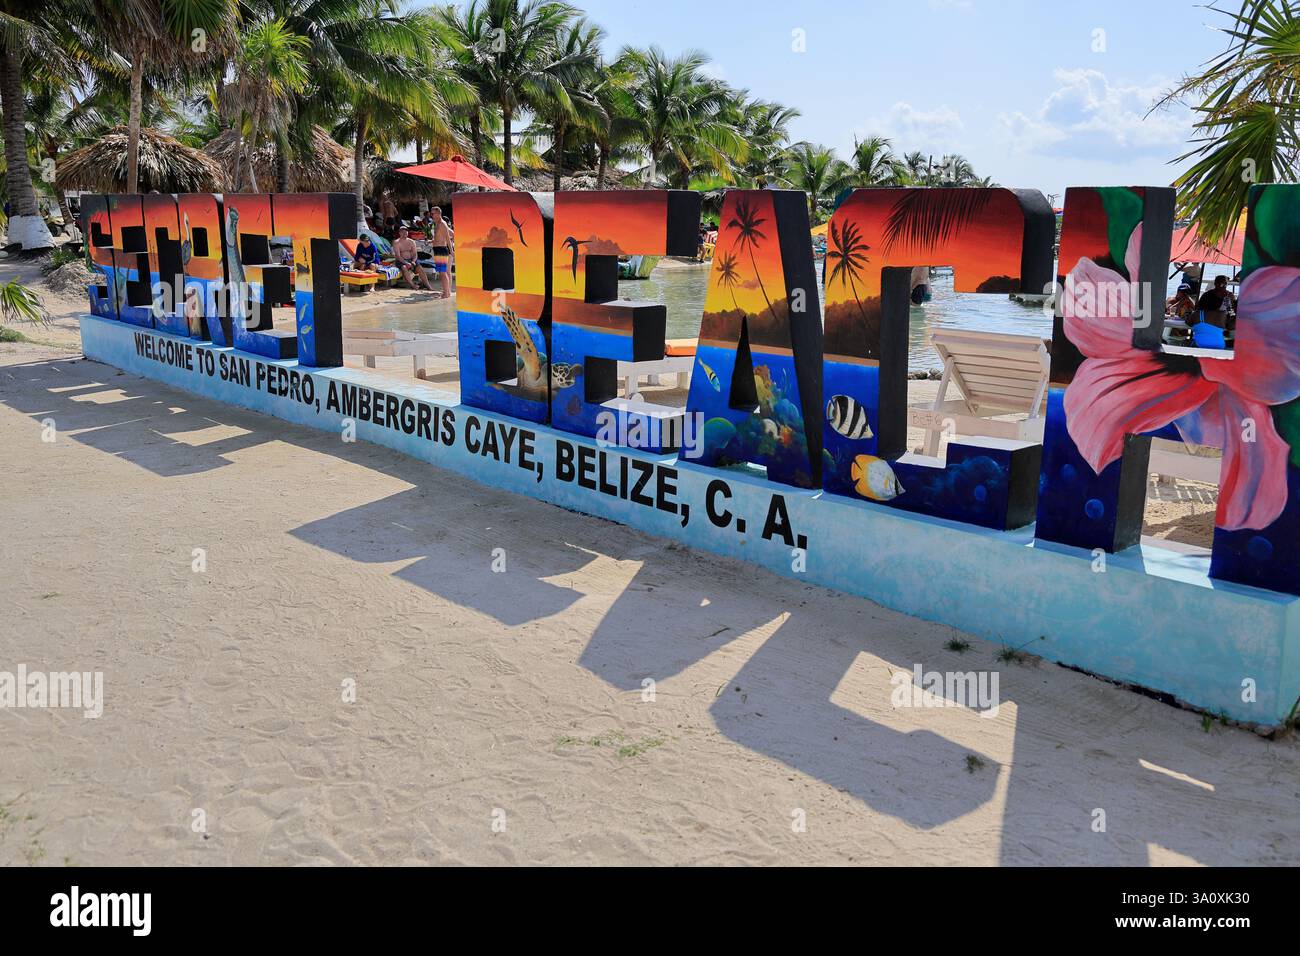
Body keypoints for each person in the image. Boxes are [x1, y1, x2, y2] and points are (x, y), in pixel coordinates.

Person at [392, 226, 434, 291]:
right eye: (403, 232)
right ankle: (412, 285)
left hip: (411, 260)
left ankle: (428, 285)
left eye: (406, 231)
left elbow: (415, 254)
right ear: (399, 233)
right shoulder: (396, 242)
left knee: (420, 268)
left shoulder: (411, 242)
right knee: (404, 267)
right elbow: (398, 256)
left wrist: (413, 261)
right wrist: (406, 263)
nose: (405, 233)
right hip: (401, 260)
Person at [429, 206, 454, 298]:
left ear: (439, 214)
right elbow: (439, 237)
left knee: (443, 272)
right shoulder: (437, 224)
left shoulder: (442, 224)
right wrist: (433, 241)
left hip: (442, 249)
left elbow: (447, 238)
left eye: (433, 214)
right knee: (441, 272)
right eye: (431, 214)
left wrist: (451, 251)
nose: (431, 215)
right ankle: (445, 291)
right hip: (437, 249)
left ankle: (447, 293)